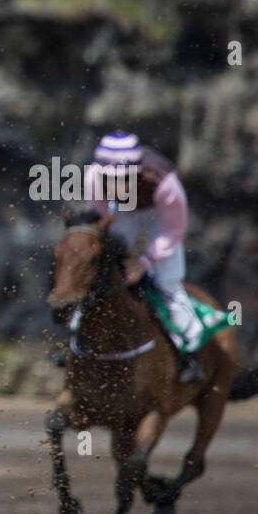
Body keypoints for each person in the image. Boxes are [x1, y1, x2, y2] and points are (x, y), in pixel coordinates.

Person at [86, 131, 206, 383]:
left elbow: (174, 231)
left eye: (124, 179)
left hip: (158, 220)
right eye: (110, 180)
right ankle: (77, 339)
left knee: (167, 284)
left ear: (137, 170)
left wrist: (143, 262)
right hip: (122, 215)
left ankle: (188, 354)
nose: (117, 187)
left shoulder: (164, 182)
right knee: (94, 278)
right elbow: (100, 221)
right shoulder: (92, 178)